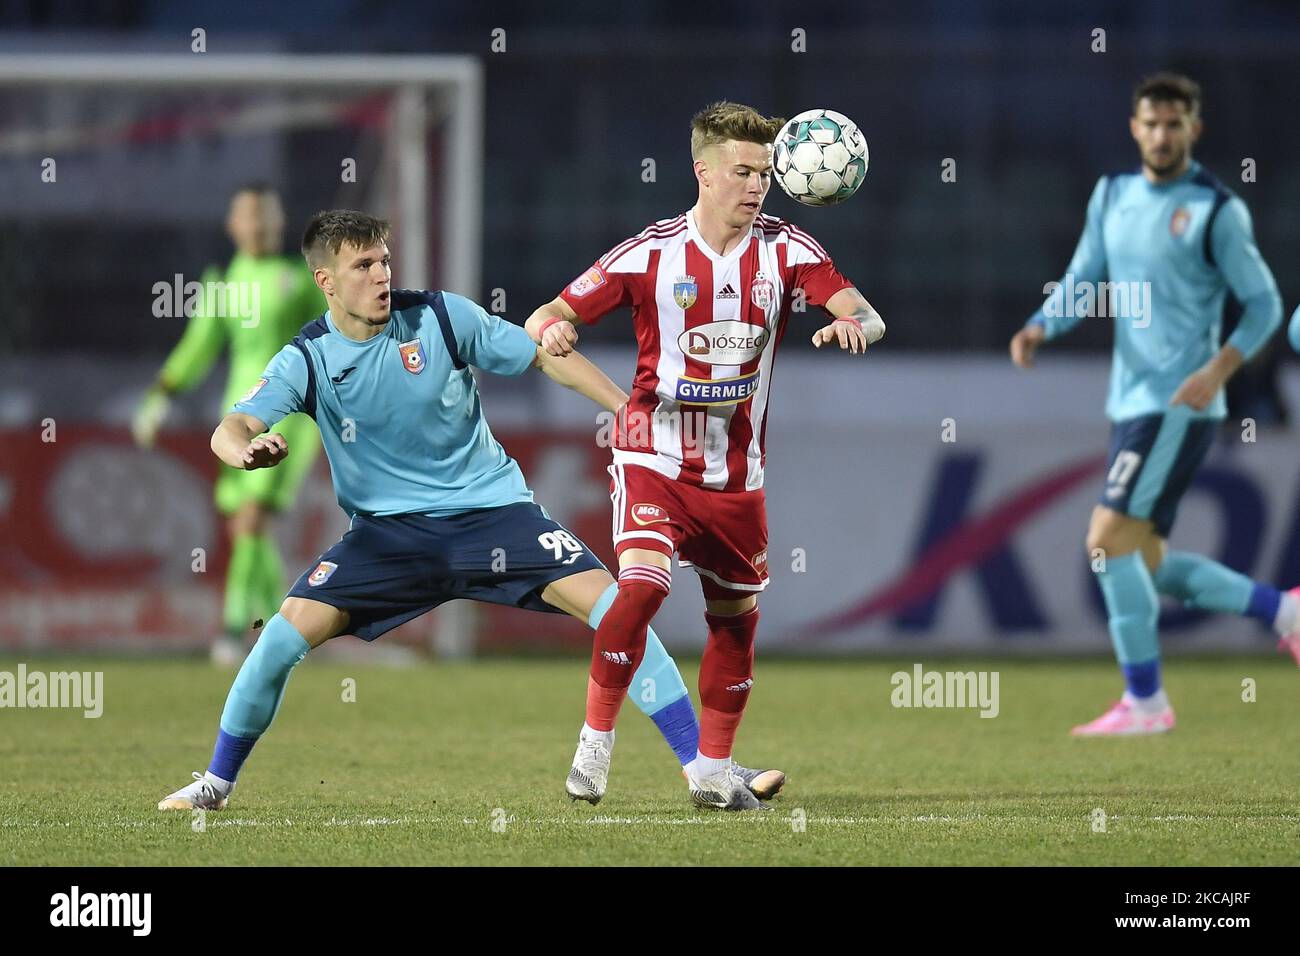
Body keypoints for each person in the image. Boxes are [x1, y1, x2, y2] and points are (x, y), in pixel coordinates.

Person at [158, 209, 782, 812]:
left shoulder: (439, 316)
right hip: (388, 539)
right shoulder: (309, 357)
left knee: (622, 612)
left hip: (495, 517)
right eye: (363, 266)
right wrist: (245, 451)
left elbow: (543, 353)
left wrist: (627, 409)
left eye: (385, 262)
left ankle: (702, 766)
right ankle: (214, 782)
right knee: (277, 641)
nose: (381, 276)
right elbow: (232, 425)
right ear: (325, 281)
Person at [527, 101, 885, 810]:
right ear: (704, 172)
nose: (757, 186)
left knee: (736, 620)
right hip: (651, 455)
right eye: (743, 171)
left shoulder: (789, 249)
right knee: (645, 585)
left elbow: (865, 311)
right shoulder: (649, 253)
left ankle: (714, 773)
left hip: (736, 476)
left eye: (765, 173)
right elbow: (546, 315)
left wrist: (854, 327)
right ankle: (594, 746)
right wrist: (555, 330)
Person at [1008, 73, 1296, 736]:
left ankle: (1146, 701)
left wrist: (1220, 367)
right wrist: (1040, 326)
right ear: (1135, 127)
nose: (1162, 135)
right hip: (1131, 402)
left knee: (1106, 542)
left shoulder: (1216, 209)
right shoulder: (1113, 195)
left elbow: (1265, 305)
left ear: (1195, 129)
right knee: (1147, 561)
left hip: (1179, 405)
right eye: (1152, 123)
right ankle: (1284, 613)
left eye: (1176, 124)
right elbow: (1083, 278)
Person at [132, 183, 323, 665]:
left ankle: (234, 630)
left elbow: (332, 340)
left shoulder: (300, 280)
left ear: (279, 223)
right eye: (249, 216)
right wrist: (162, 392)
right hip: (239, 418)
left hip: (294, 415)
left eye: (267, 216)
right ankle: (283, 626)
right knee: (245, 530)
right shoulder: (223, 285)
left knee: (254, 518)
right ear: (233, 225)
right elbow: (198, 347)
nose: (259, 225)